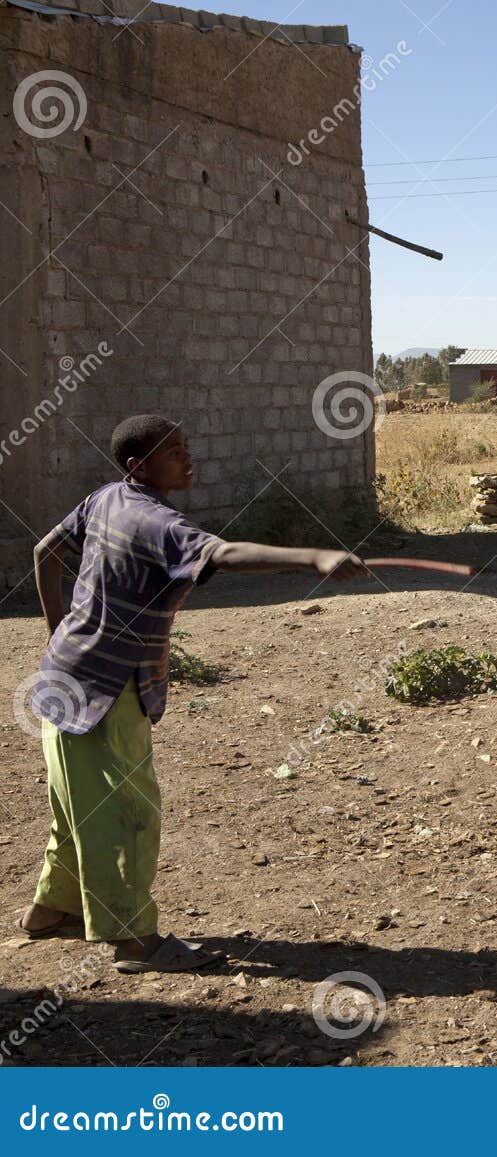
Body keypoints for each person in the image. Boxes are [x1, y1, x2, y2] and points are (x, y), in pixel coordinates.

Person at [16, 414, 366, 973]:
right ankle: (135, 941)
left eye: (185, 447)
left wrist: (58, 632)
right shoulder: (158, 522)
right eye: (173, 451)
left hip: (63, 676)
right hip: (107, 691)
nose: (187, 458)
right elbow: (223, 554)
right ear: (139, 466)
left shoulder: (105, 498)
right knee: (126, 812)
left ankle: (51, 910)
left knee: (76, 804)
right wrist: (313, 557)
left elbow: (44, 551)